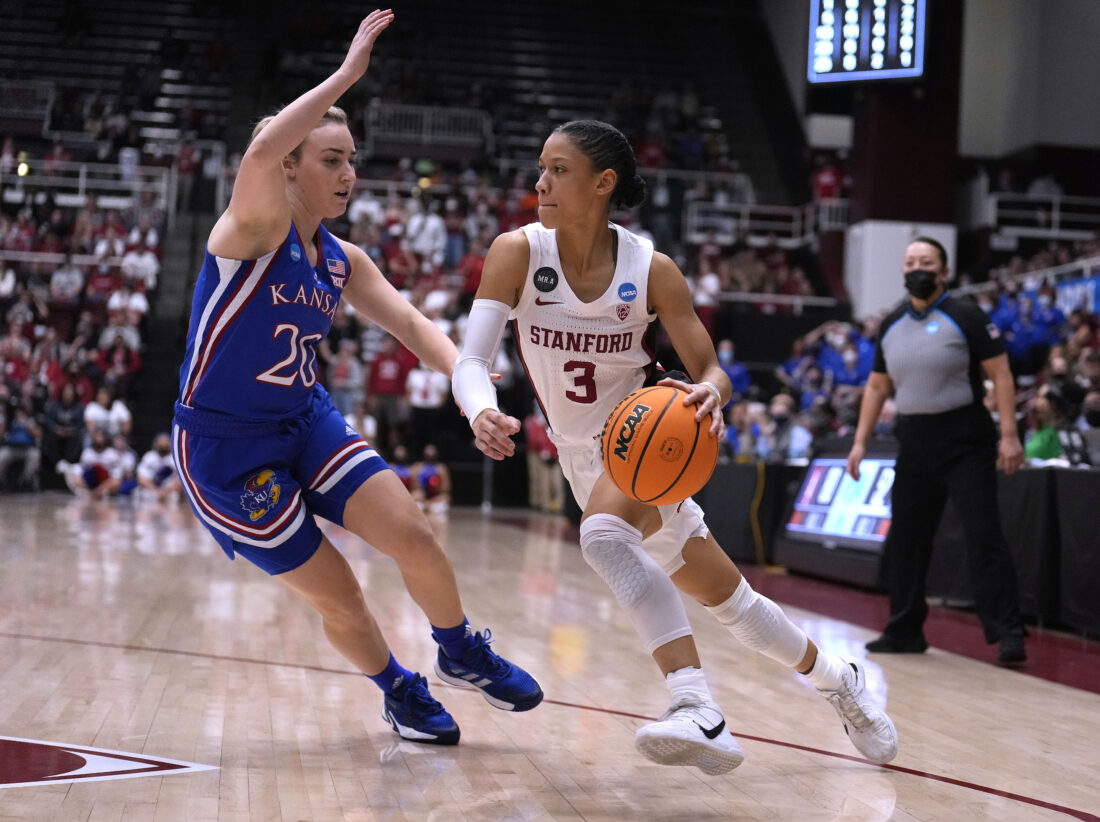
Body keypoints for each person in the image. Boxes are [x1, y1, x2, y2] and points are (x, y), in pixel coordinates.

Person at [453, 119, 897, 774]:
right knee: (734, 604)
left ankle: (698, 707)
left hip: (641, 441)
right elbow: (471, 361)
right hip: (581, 458)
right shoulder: (516, 253)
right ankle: (840, 678)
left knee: (602, 538)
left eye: (558, 170)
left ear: (602, 183)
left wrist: (713, 393)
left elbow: (713, 369)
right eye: (541, 167)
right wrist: (482, 410)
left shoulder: (650, 269)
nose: (540, 182)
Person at [171, 10, 540, 747]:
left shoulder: (343, 259)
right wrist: (345, 76)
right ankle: (397, 690)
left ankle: (459, 649)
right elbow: (259, 145)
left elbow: (414, 328)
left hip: (303, 420)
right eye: (331, 159)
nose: (348, 173)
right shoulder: (246, 232)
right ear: (289, 168)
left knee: (415, 535)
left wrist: (477, 404)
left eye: (350, 159)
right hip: (225, 452)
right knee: (341, 596)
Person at [846, 237, 1027, 666]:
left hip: (965, 438)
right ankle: (904, 629)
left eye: (926, 261)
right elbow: (876, 386)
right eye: (910, 261)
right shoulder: (891, 323)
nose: (917, 268)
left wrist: (1009, 434)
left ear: (944, 271)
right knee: (907, 539)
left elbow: (1000, 374)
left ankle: (1008, 632)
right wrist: (859, 441)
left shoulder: (965, 315)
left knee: (983, 535)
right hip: (914, 440)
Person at [137, 431, 182, 501]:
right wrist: (155, 490)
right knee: (143, 495)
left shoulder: (176, 458)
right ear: (155, 443)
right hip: (151, 491)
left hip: (171, 492)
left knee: (174, 497)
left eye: (166, 441)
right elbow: (141, 478)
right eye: (161, 441)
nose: (163, 444)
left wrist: (166, 491)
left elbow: (181, 480)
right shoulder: (149, 457)